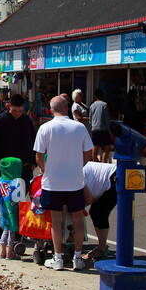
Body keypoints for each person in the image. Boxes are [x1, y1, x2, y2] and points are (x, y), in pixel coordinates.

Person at [33, 94, 93, 271]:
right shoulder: (79, 127)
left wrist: (45, 169)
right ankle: (77, 258)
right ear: (67, 108)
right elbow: (88, 153)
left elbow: (38, 155)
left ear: (51, 110)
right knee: (77, 220)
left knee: (56, 221)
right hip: (75, 181)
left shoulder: (45, 128)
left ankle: (57, 257)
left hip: (52, 182)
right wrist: (78, 166)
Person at [0, 93, 35, 242]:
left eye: (20, 111)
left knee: (19, 199)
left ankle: (17, 232)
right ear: (9, 107)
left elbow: (34, 141)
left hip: (24, 168)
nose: (18, 114)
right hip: (6, 168)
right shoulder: (1, 120)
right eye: (15, 111)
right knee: (3, 200)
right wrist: (1, 160)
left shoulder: (27, 121)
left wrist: (33, 162)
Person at [82, 159, 118, 262]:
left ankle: (101, 249)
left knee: (99, 212)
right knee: (95, 212)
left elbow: (89, 200)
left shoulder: (75, 176)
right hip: (107, 179)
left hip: (112, 178)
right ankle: (102, 247)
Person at [0, 156, 27, 260]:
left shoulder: (0, 181)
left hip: (3, 211)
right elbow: (21, 198)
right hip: (13, 212)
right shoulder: (16, 182)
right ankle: (9, 253)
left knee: (5, 230)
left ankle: (2, 252)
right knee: (12, 232)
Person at [89, 88, 113, 162]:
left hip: (94, 129)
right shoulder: (104, 105)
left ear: (95, 96)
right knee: (106, 149)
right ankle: (103, 164)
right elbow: (107, 120)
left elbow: (90, 119)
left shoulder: (92, 105)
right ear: (102, 95)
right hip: (104, 130)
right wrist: (110, 132)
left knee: (95, 148)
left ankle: (95, 163)